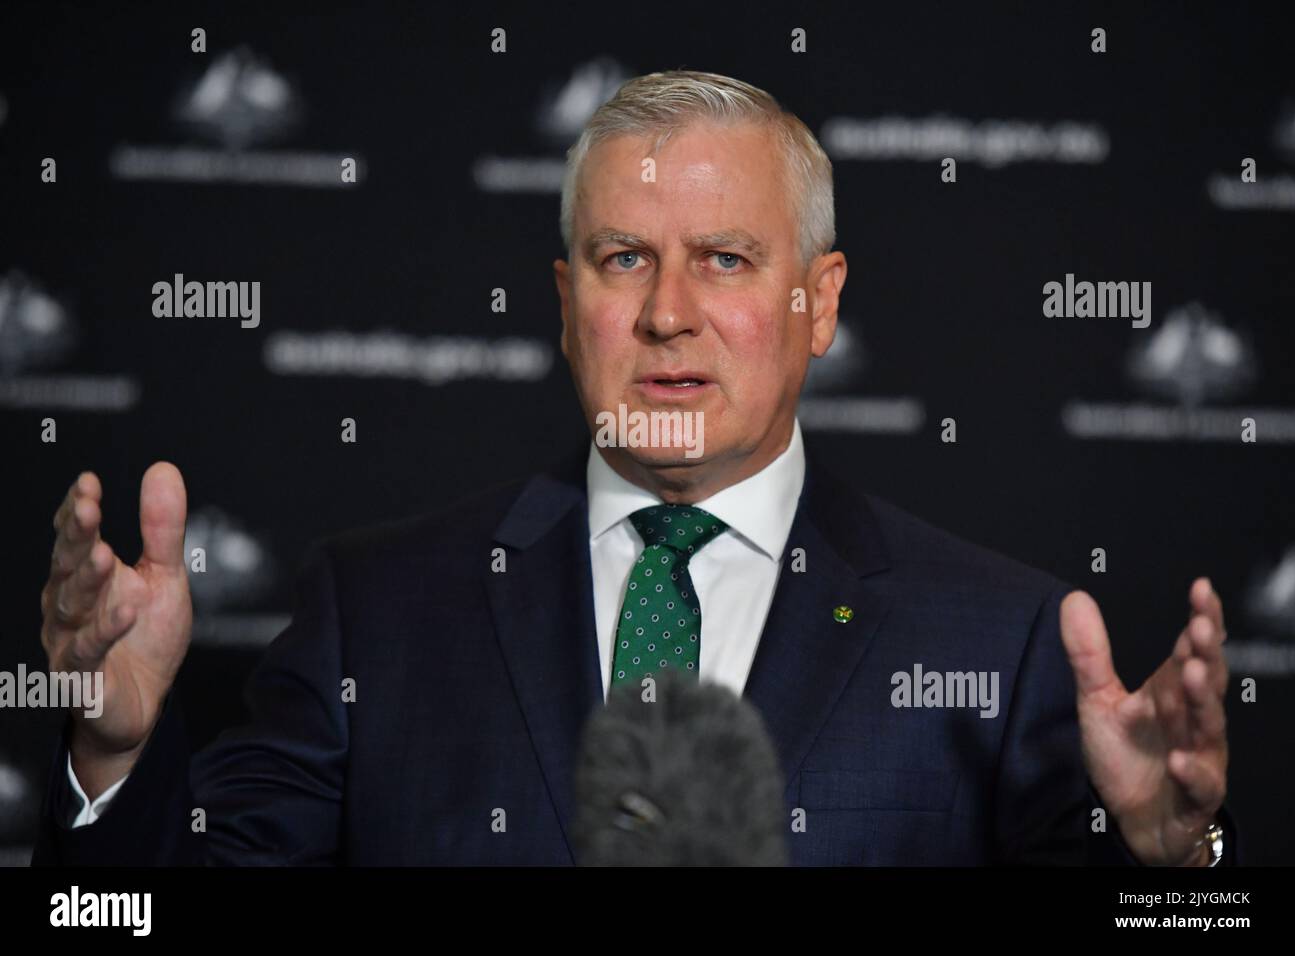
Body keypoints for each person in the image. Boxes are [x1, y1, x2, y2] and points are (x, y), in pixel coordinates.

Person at [32, 70, 1234, 866]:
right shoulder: (380, 612)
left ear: (818, 305)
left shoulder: (994, 637)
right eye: (622, 258)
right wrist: (117, 757)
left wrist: (1175, 873)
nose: (668, 312)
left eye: (722, 258)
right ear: (565, 303)